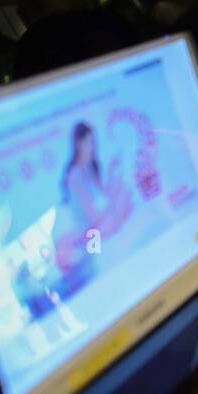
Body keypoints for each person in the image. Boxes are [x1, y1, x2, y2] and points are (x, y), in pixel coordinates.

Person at [53, 121, 132, 284]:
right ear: (78, 144)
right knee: (112, 218)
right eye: (89, 143)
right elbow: (92, 216)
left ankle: (113, 220)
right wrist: (114, 207)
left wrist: (111, 170)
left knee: (124, 192)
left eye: (94, 142)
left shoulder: (89, 167)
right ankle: (88, 248)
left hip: (96, 223)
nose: (93, 147)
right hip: (87, 231)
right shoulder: (74, 175)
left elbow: (105, 193)